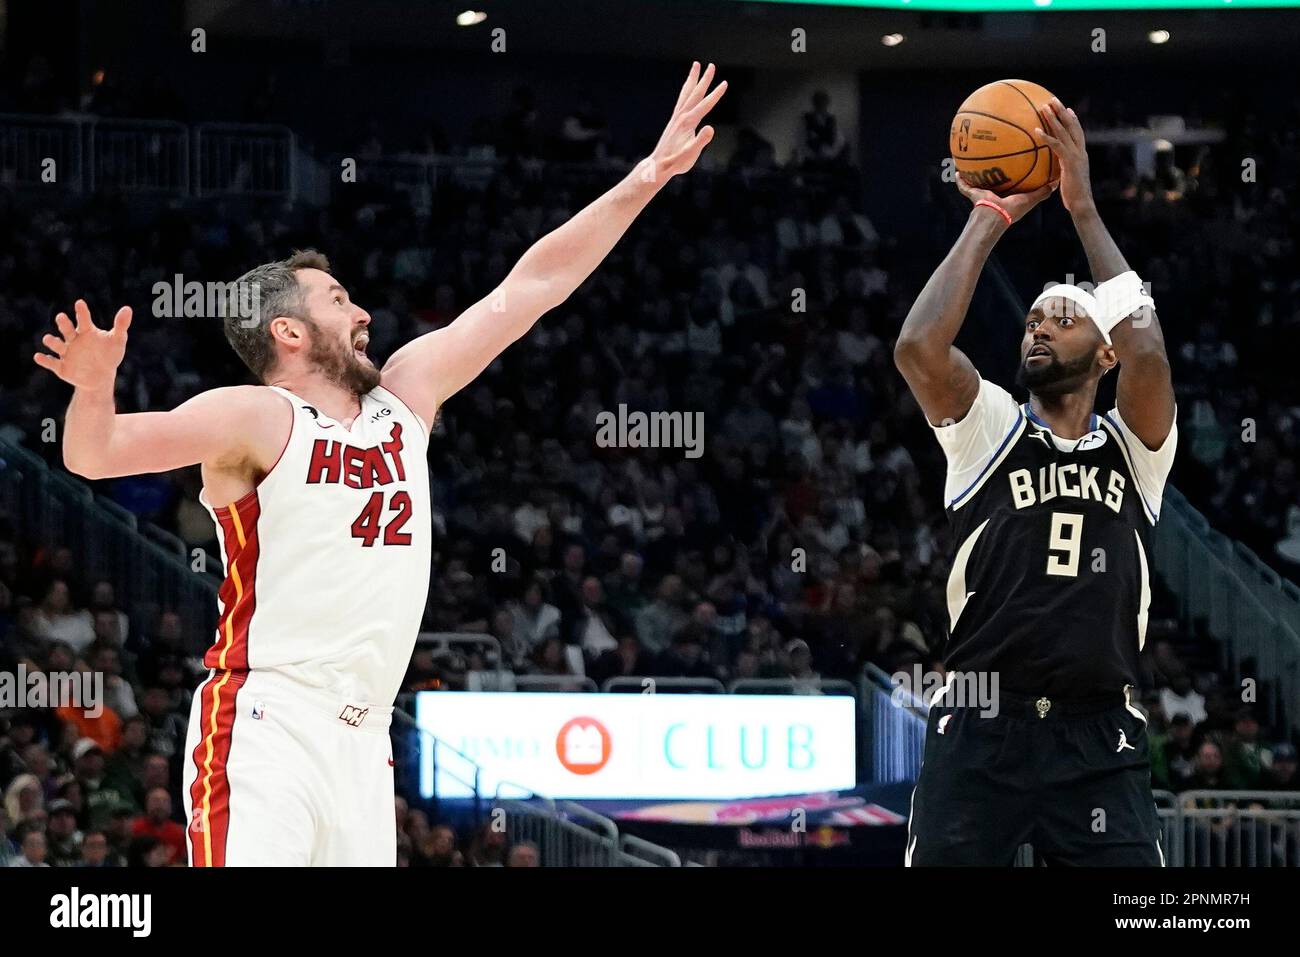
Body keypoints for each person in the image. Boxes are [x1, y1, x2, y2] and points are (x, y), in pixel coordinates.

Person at [32, 62, 725, 867]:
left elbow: (533, 285)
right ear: (287, 333)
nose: (362, 311)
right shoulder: (256, 414)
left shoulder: (406, 397)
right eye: (337, 300)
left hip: (365, 743)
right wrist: (92, 386)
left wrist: (648, 174)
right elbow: (93, 454)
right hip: (267, 724)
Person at [895, 99, 1176, 866]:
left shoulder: (1136, 447)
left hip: (1099, 738)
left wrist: (1083, 207)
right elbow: (919, 346)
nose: (1038, 328)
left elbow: (1149, 350)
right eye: (1033, 321)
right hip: (983, 726)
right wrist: (992, 210)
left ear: (1105, 353)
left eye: (1061, 318)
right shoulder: (990, 425)